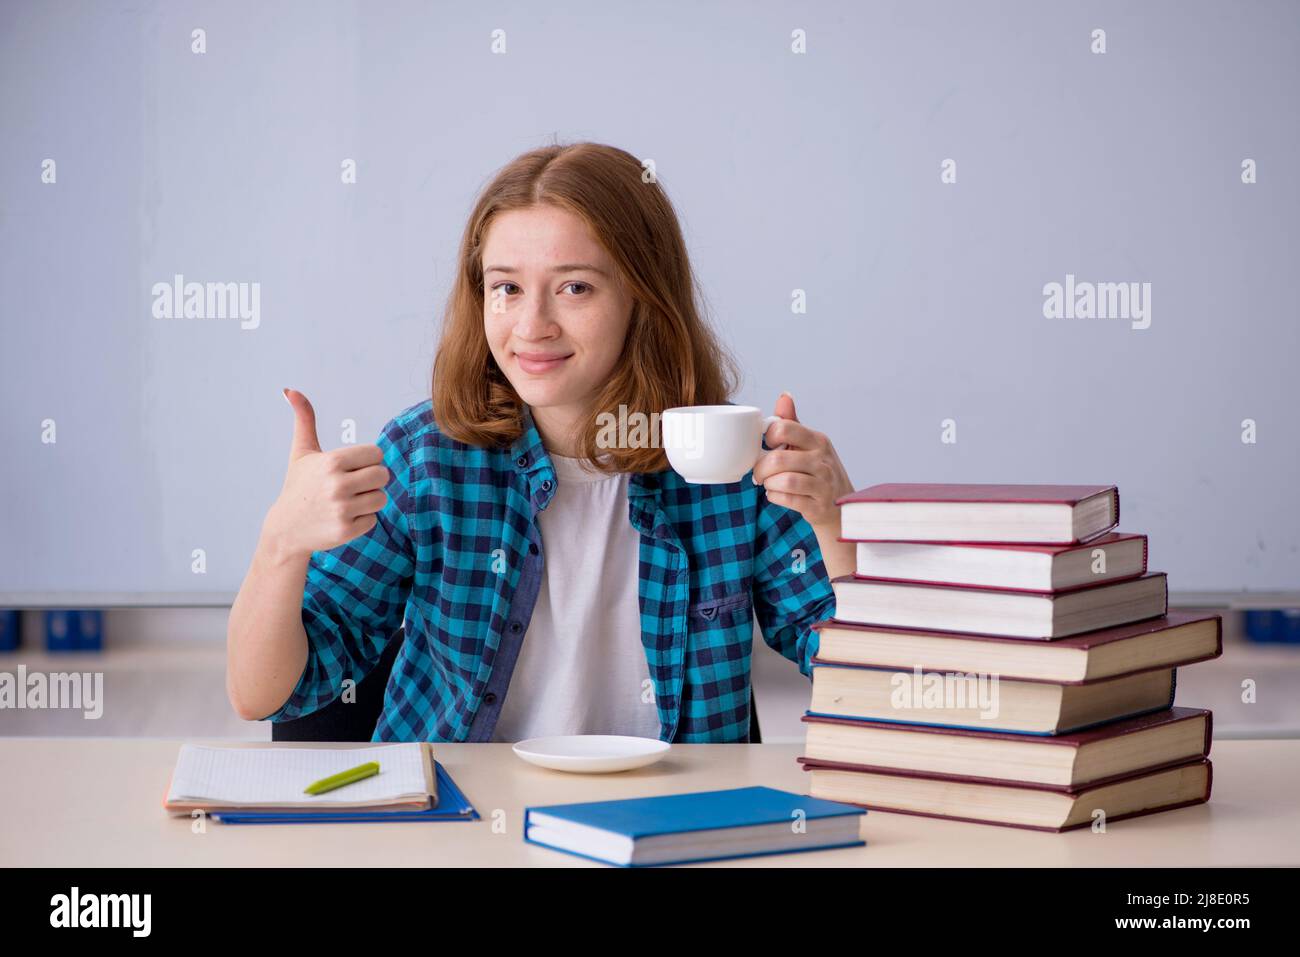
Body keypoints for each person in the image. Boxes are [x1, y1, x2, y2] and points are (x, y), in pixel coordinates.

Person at [226, 142, 856, 743]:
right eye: (506, 288)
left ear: (644, 296)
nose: (532, 326)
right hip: (463, 828)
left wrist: (836, 526)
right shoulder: (426, 460)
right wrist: (280, 542)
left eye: (575, 287)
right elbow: (263, 696)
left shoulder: (731, 463)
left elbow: (866, 686)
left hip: (671, 830)